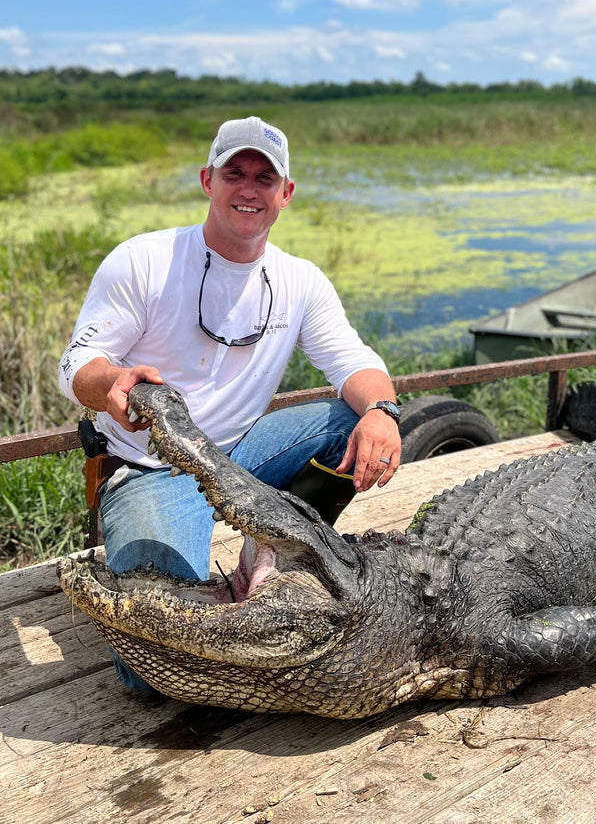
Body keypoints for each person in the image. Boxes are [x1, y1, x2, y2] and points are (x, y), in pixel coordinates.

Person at [59, 116, 401, 687]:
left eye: (265, 178)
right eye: (234, 173)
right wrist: (112, 381)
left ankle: (277, 548)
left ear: (285, 193)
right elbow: (77, 361)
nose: (249, 189)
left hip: (243, 454)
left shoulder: (300, 281)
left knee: (352, 420)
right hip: (151, 468)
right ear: (207, 181)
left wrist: (383, 411)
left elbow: (354, 362)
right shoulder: (143, 260)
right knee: (157, 669)